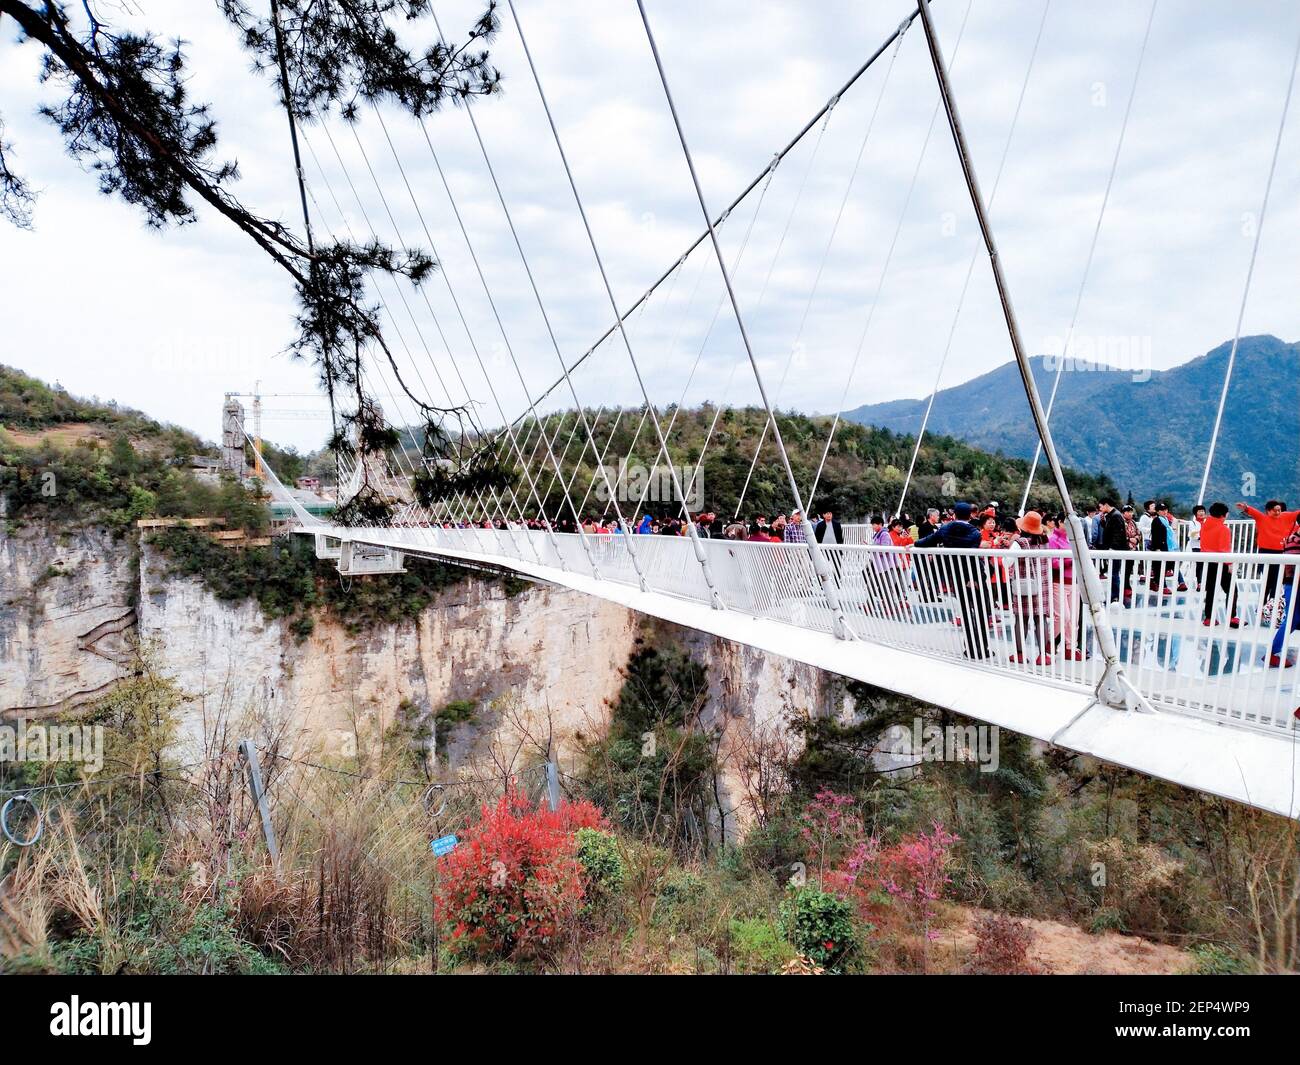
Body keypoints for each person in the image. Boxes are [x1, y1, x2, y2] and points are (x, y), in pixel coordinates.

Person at [915, 502, 991, 659]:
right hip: (975, 575)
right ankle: (983, 648)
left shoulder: (945, 529)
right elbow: (971, 556)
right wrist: (974, 578)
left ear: (954, 515)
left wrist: (913, 544)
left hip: (958, 577)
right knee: (981, 610)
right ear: (970, 515)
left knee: (965, 611)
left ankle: (969, 648)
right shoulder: (975, 533)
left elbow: (927, 541)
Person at [1008, 510, 1053, 665]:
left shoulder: (1019, 543)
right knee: (1041, 619)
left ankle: (1020, 654)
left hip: (1024, 587)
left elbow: (1006, 562)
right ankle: (1043, 655)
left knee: (1022, 619)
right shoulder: (1045, 540)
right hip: (1043, 585)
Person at [1236, 499, 1300, 604]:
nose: (1278, 513)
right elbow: (1253, 512)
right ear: (1268, 511)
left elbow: (1297, 513)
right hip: (1265, 553)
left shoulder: (1285, 516)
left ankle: (1272, 607)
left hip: (1280, 553)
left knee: (1277, 581)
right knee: (1267, 581)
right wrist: (1246, 508)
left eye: (1279, 510)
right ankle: (1261, 606)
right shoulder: (1262, 518)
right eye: (1275, 510)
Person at [1047, 515, 1083, 660]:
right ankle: (1050, 641)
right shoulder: (1053, 539)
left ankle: (1070, 647)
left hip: (1073, 582)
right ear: (1060, 522)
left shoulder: (1071, 539)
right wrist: (1070, 560)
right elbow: (1053, 562)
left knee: (1073, 619)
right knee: (1062, 616)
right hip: (1059, 582)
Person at [1200, 502, 1239, 628]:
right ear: (1224, 514)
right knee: (1232, 589)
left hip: (1207, 562)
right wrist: (1230, 564)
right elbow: (1224, 549)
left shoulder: (1204, 526)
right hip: (1220, 564)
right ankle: (1231, 617)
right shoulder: (1224, 529)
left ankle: (1209, 618)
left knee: (1211, 590)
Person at [1268, 519, 1300, 667]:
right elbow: (1293, 567)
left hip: (1293, 584)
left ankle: (1272, 652)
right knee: (1292, 619)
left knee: (1293, 619)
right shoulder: (1294, 541)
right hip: (1294, 585)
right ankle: (1271, 653)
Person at [1098, 498, 1130, 604]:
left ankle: (1115, 596)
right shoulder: (1112, 515)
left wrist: (1112, 548)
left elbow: (1118, 533)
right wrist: (1103, 521)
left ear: (1106, 505)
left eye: (1101, 506)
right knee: (1113, 572)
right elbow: (1110, 530)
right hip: (1113, 549)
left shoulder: (1115, 516)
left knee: (1114, 573)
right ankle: (1114, 595)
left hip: (1116, 549)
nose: (1100, 509)